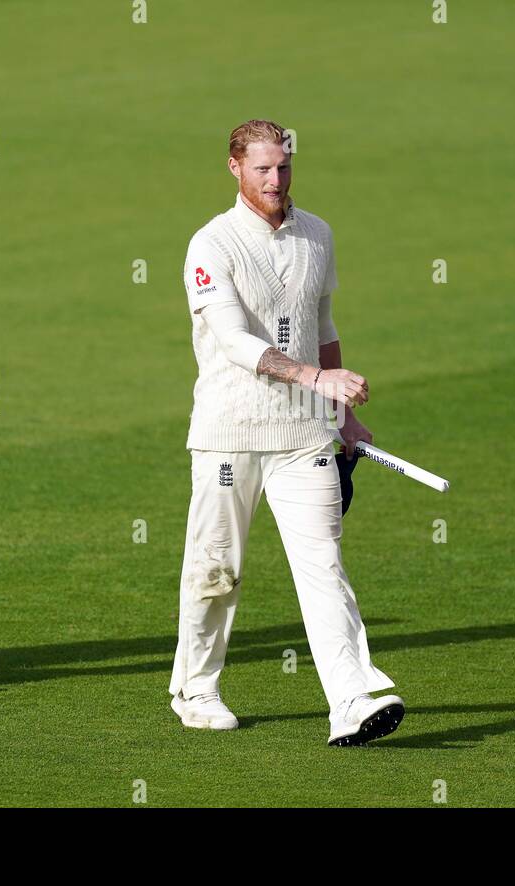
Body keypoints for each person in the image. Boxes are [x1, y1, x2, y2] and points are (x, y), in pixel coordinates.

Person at [169, 119, 403, 746]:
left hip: (304, 436)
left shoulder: (317, 235)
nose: (276, 180)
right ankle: (196, 687)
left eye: (284, 167)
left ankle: (352, 698)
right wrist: (314, 378)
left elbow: (321, 323)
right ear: (235, 168)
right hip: (229, 434)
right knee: (218, 569)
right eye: (262, 169)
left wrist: (344, 416)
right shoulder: (210, 245)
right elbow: (236, 342)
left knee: (324, 566)